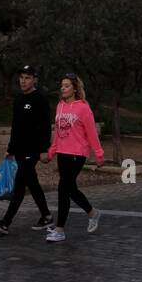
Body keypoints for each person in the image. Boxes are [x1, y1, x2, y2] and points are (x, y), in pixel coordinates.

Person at [0, 65, 53, 236]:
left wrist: (44, 149)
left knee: (19, 184)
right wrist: (10, 149)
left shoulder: (40, 99)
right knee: (32, 182)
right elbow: (16, 126)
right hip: (19, 150)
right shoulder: (18, 99)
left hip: (33, 150)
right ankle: (47, 216)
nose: (23, 81)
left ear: (35, 80)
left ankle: (5, 222)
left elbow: (46, 126)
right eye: (22, 77)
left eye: (27, 78)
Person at [41, 72, 104, 243]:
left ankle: (60, 229)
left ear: (75, 89)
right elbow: (58, 133)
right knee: (70, 189)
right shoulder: (60, 106)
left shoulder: (83, 108)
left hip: (77, 153)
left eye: (67, 85)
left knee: (64, 188)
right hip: (62, 153)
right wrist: (51, 152)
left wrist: (98, 153)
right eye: (62, 85)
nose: (63, 88)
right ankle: (92, 213)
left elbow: (91, 133)